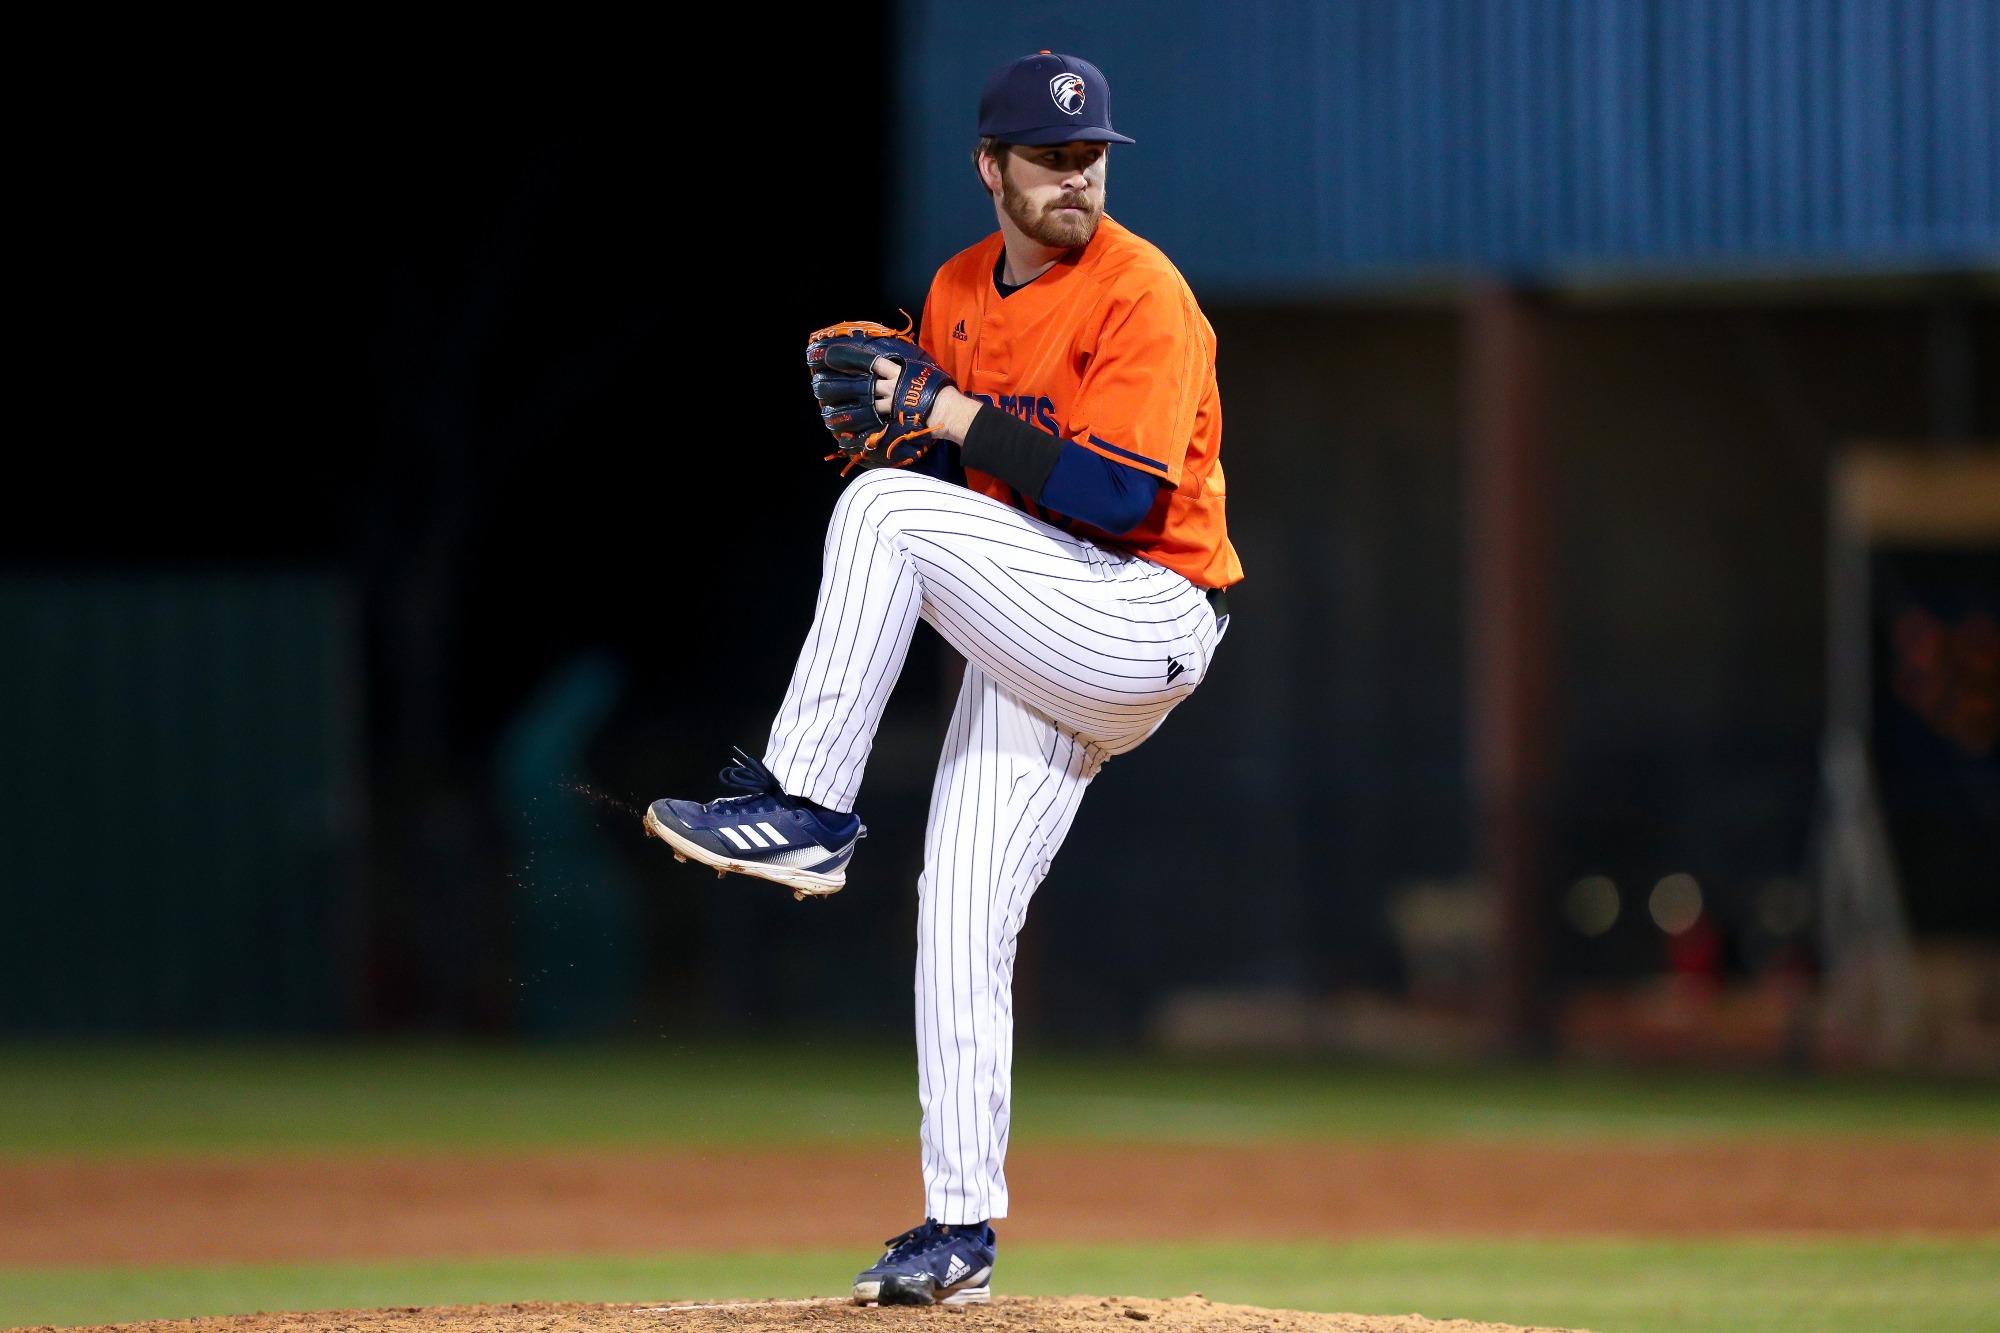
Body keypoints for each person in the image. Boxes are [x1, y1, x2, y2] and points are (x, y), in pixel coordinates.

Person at [643, 50, 1242, 1306]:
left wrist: (948, 418)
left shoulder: (1146, 294)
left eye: (1090, 157)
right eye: (1048, 157)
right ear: (990, 168)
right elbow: (962, 471)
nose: (1075, 176)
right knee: (960, 910)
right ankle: (956, 1233)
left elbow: (1124, 497)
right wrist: (918, 421)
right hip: (1036, 612)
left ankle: (803, 807)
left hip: (1140, 615)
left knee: (883, 515)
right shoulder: (957, 288)